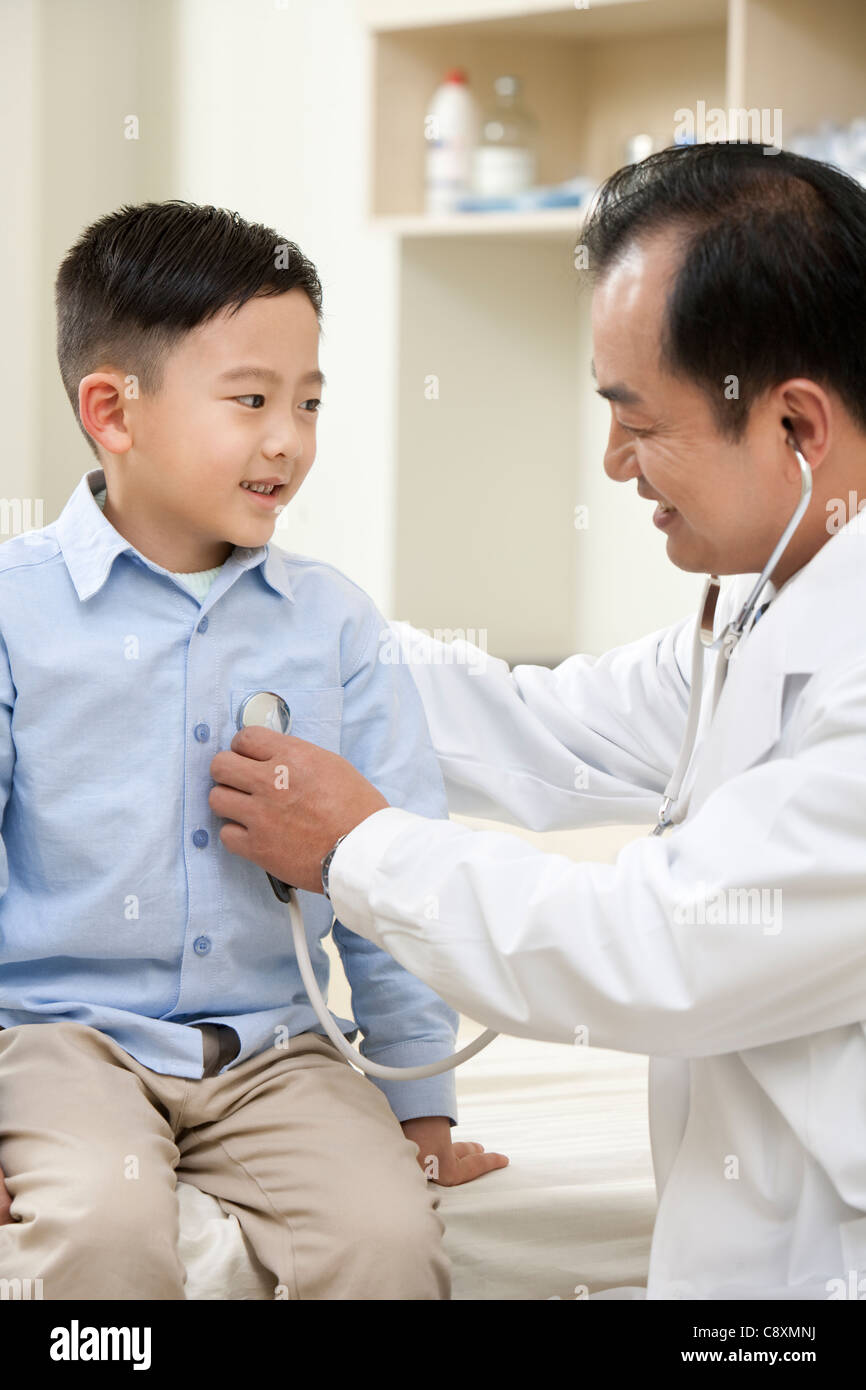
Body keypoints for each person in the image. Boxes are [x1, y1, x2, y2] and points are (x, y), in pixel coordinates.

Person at [209, 143, 866, 1300]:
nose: (613, 462)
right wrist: (288, 640)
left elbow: (656, 946)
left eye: (637, 419)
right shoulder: (774, 606)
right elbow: (541, 723)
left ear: (797, 430)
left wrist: (355, 844)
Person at [0, 199, 507, 1303]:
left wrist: (420, 1108)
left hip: (276, 1048)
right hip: (58, 1043)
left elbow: (394, 867)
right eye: (250, 401)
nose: (289, 438)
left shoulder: (329, 623)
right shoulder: (15, 612)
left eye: (309, 403)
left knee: (386, 1241)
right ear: (112, 409)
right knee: (97, 1226)